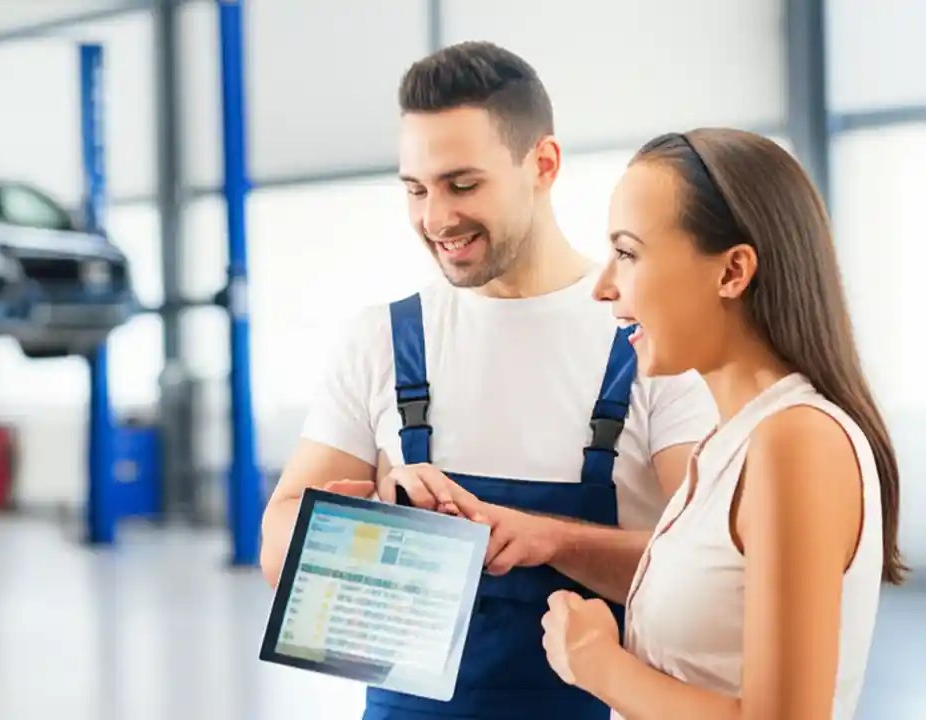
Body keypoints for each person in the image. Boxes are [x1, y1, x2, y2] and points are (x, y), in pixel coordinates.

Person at [259, 41, 718, 719]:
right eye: (416, 189)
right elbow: (277, 548)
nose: (436, 219)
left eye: (462, 184)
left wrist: (553, 540)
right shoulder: (380, 341)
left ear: (543, 164)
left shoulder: (647, 342)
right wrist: (364, 525)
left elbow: (708, 575)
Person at [535, 129, 906, 719]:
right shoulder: (730, 442)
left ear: (732, 272)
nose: (605, 287)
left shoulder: (796, 440)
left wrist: (598, 664)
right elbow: (712, 590)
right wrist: (546, 540)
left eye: (628, 254)